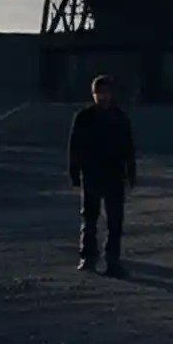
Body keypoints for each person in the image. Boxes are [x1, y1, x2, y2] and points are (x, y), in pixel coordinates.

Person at [68, 74, 136, 277]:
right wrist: (74, 173)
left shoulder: (120, 118)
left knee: (115, 221)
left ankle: (112, 261)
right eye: (99, 93)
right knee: (89, 219)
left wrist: (131, 173)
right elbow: (75, 147)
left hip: (114, 175)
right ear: (93, 94)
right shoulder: (84, 117)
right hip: (91, 174)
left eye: (106, 93)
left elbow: (128, 148)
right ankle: (88, 257)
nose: (103, 97)